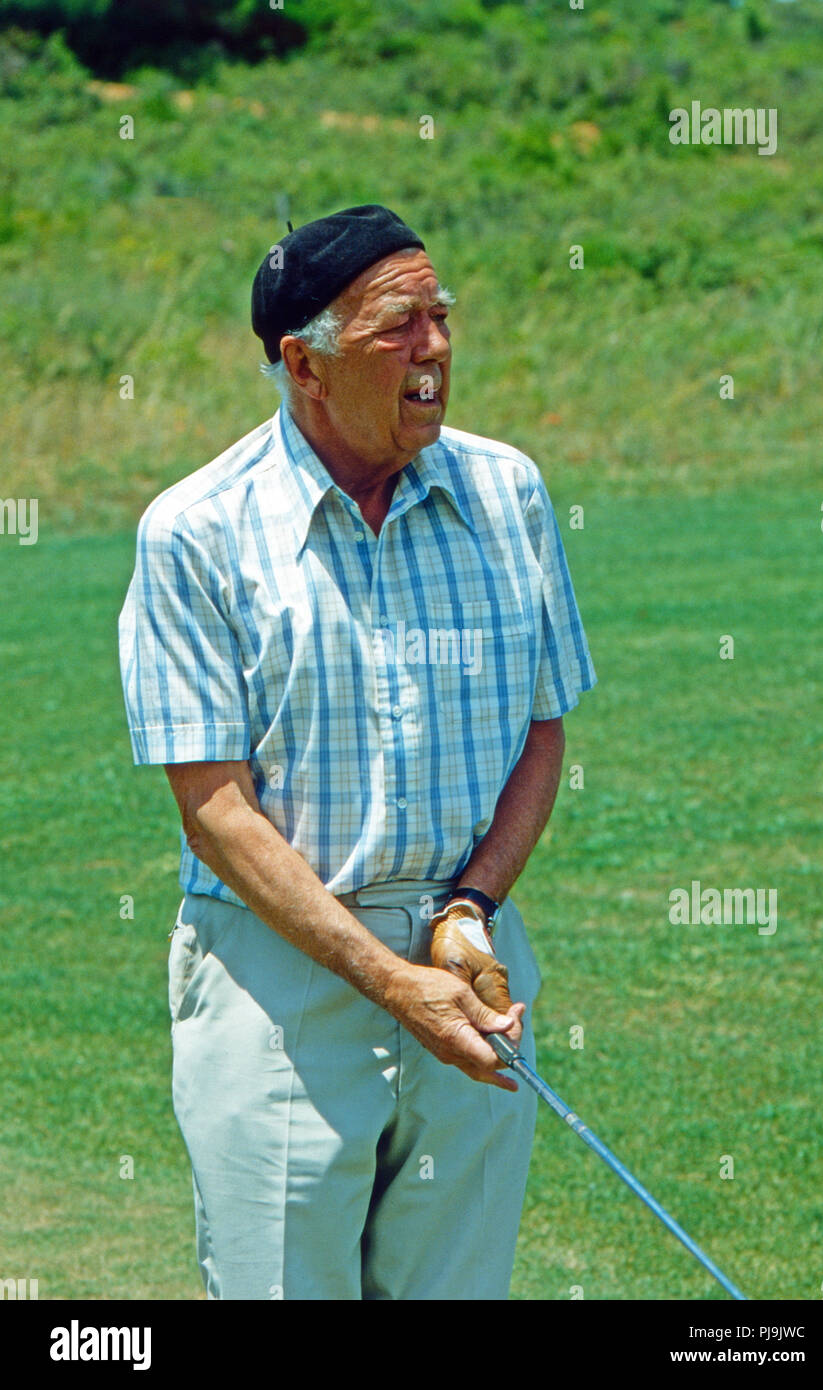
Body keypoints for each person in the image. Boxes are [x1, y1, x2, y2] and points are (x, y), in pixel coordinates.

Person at [118, 204, 596, 1300]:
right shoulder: (193, 532)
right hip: (280, 984)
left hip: (470, 968)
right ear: (304, 363)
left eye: (442, 316)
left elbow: (541, 727)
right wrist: (389, 981)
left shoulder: (508, 491)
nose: (434, 348)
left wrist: (471, 905)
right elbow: (218, 811)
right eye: (398, 327)